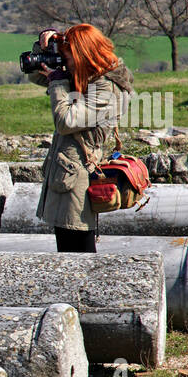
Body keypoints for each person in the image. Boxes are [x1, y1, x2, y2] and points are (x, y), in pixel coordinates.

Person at [27, 24, 134, 253]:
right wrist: (46, 49)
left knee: (79, 252)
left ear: (84, 54)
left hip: (78, 179)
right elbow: (36, 74)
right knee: (68, 250)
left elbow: (66, 121)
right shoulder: (86, 77)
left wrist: (57, 81)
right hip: (66, 175)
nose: (66, 63)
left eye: (69, 57)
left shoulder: (105, 88)